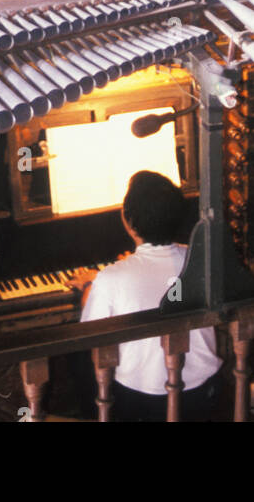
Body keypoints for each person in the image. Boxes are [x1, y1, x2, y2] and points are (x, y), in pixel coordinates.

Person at [78, 170, 222, 421]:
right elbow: (166, 286)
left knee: (82, 365)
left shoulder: (111, 278)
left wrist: (90, 287)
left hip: (142, 399)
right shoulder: (203, 258)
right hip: (204, 391)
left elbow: (90, 331)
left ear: (129, 220)